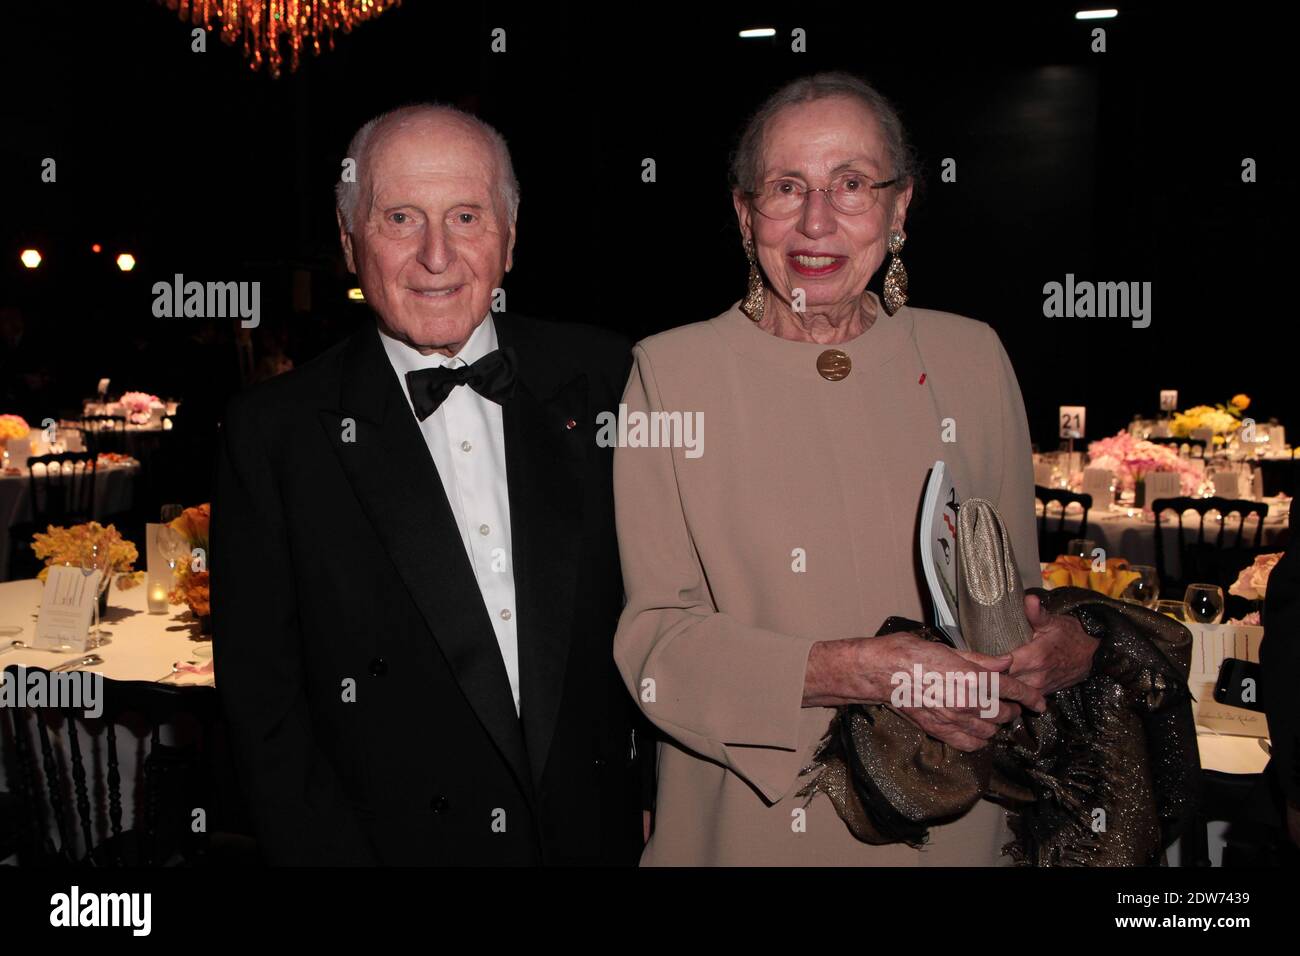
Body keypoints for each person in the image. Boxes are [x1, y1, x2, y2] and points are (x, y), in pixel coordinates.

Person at [613, 73, 1098, 865]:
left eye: (850, 185)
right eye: (785, 187)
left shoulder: (972, 357)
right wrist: (860, 672)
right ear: (744, 214)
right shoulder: (671, 376)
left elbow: (1013, 597)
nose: (815, 220)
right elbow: (657, 650)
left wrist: (1058, 644)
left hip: (957, 818)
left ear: (899, 207)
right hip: (754, 826)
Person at [213, 104, 644, 865]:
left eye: (467, 216)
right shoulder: (274, 433)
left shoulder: (614, 380)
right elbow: (262, 707)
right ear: (349, 243)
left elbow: (670, 616)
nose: (437, 256)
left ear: (510, 237)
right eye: (401, 218)